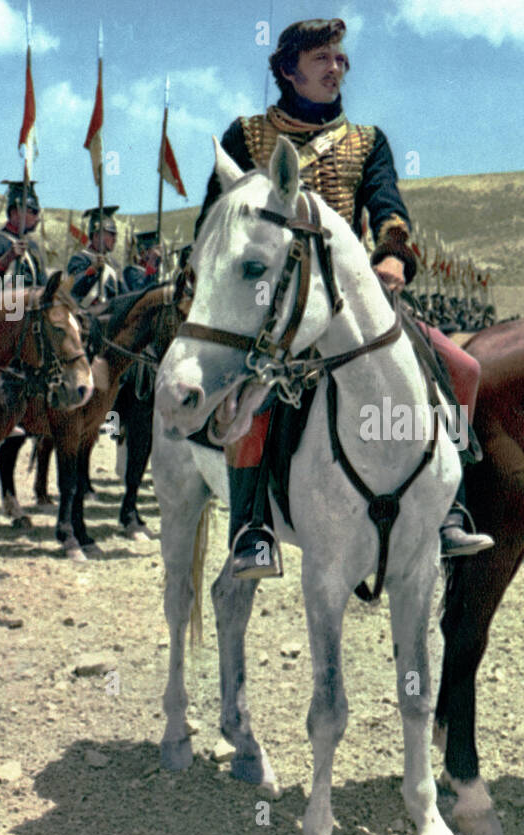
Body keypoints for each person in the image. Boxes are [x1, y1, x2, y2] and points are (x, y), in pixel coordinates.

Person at [194, 17, 492, 579]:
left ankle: (448, 508)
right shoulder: (247, 136)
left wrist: (394, 254)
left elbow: (388, 206)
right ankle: (251, 527)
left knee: (462, 370)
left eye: (340, 58)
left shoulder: (367, 141)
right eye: (322, 58)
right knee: (254, 401)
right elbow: (218, 224)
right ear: (288, 69)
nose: (337, 67)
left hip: (355, 298)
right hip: (275, 307)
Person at [0, 180, 47, 287]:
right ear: (15, 212)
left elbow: (43, 286)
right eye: (33, 212)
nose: (37, 218)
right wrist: (7, 259)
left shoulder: (33, 246)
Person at [67, 206, 121, 305]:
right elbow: (73, 287)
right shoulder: (80, 258)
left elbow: (124, 294)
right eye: (111, 234)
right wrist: (93, 269)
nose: (115, 239)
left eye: (115, 235)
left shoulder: (114, 264)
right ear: (96, 236)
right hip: (87, 313)